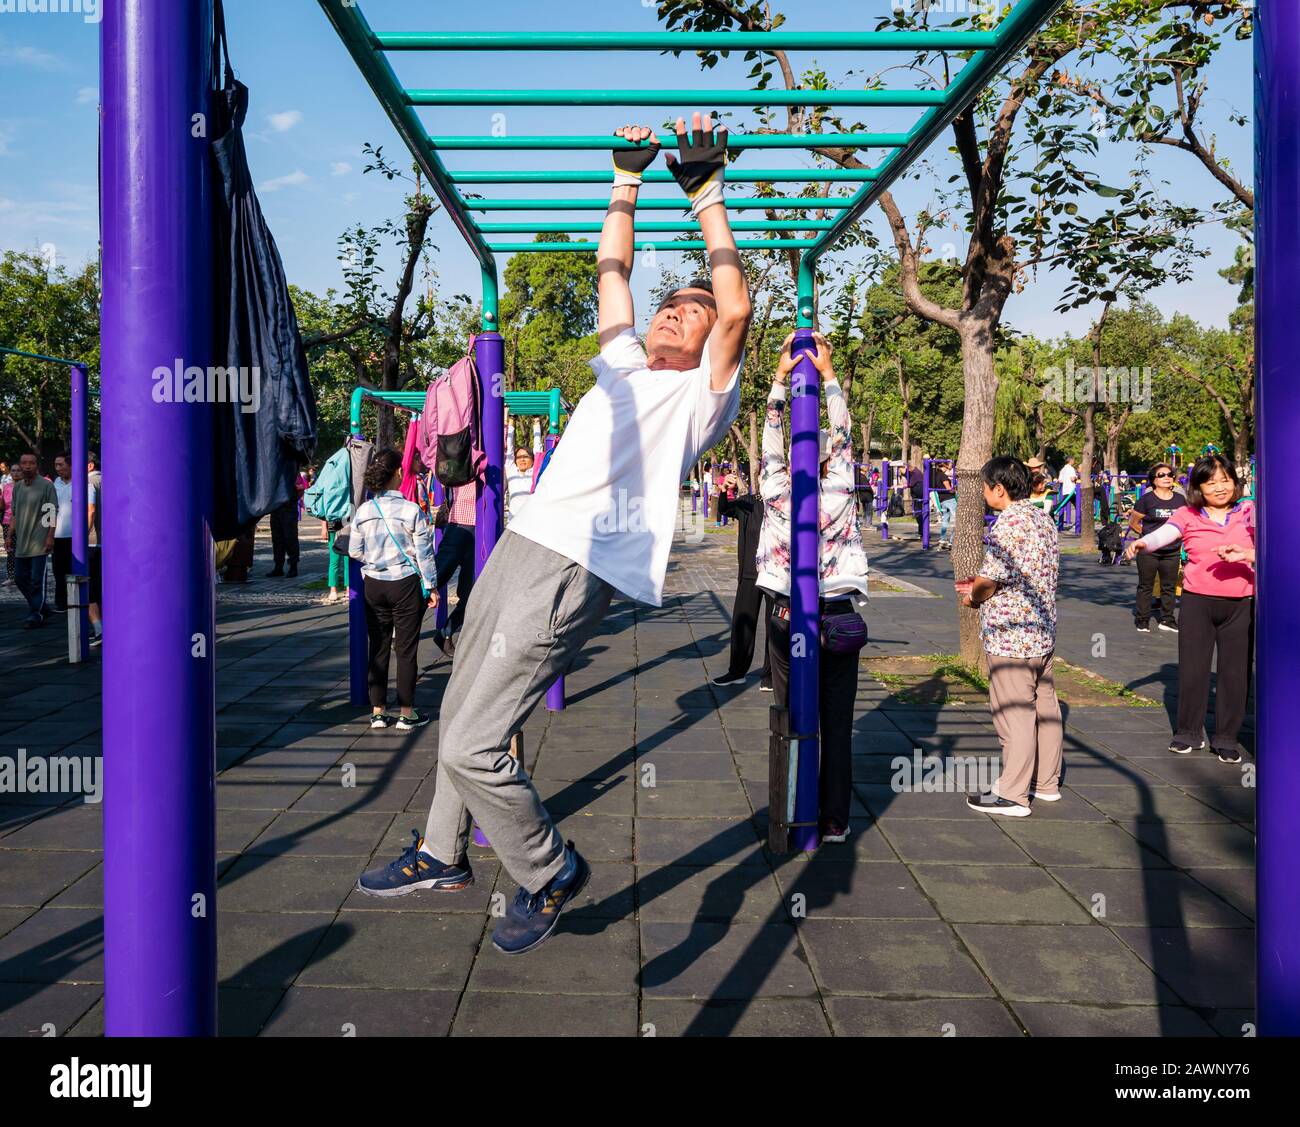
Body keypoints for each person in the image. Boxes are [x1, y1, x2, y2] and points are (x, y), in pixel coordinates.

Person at [356, 113, 750, 956]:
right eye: (673, 305)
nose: (676, 315)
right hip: (525, 546)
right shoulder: (624, 364)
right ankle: (439, 850)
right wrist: (625, 178)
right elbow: (612, 270)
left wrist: (708, 194)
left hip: (574, 567)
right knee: (458, 699)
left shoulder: (701, 401)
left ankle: (549, 868)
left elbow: (737, 304)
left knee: (471, 740)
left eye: (691, 313)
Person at [755, 332, 869, 842]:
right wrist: (829, 379)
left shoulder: (778, 489)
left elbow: (771, 446)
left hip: (785, 612)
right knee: (837, 725)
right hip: (838, 612)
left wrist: (780, 381)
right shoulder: (842, 488)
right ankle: (835, 819)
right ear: (828, 461)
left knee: (792, 711)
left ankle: (794, 810)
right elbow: (844, 438)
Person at [1125, 454, 1254, 763]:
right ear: (1198, 487)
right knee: (1193, 670)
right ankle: (1188, 733)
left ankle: (1226, 738)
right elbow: (1162, 535)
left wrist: (1248, 554)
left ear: (1235, 483)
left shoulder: (1250, 510)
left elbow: (1276, 544)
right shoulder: (1187, 514)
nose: (1220, 487)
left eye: (1225, 480)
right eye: (1211, 482)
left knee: (1234, 674)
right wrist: (1143, 544)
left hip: (1242, 603)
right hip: (1198, 602)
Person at [956, 456, 1062, 817]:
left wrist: (973, 595)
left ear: (998, 489)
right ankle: (1046, 783)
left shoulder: (1007, 525)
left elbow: (990, 580)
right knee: (1045, 708)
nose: (984, 494)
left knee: (1014, 713)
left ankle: (1014, 794)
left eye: (986, 487)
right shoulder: (1042, 518)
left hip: (1011, 636)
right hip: (1041, 632)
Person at [347, 447, 438, 731]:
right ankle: (406, 712)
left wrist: (375, 562)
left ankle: (377, 711)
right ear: (399, 472)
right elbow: (424, 553)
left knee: (379, 645)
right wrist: (431, 585)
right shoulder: (412, 511)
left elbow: (354, 550)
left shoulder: (363, 510)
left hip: (374, 583)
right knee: (406, 649)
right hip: (405, 583)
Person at [710, 468, 773, 691]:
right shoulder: (750, 503)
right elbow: (726, 509)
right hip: (750, 572)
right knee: (742, 622)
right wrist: (724, 489)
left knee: (776, 625)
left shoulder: (786, 504)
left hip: (777, 574)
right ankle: (736, 672)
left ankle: (771, 676)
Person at [1129, 462, 1186, 633]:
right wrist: (1147, 537)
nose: (1166, 478)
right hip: (1149, 552)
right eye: (1161, 475)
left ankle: (1167, 619)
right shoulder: (1146, 500)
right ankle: (1142, 620)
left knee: (1168, 587)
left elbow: (1185, 522)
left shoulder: (1180, 499)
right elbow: (1134, 523)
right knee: (1146, 586)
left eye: (1169, 475)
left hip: (1172, 551)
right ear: (1154, 480)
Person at [5, 453, 58, 628]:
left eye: (31, 463)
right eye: (24, 463)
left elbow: (51, 512)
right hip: (22, 542)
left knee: (36, 580)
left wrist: (50, 536)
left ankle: (35, 613)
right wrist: (9, 536)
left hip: (39, 541)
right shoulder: (18, 487)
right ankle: (42, 606)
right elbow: (14, 514)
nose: (27, 466)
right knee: (19, 578)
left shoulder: (46, 485)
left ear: (36, 465)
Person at [429, 478, 477, 657]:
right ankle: (401, 629)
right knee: (432, 582)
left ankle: (445, 632)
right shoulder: (463, 463)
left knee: (473, 595)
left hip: (479, 531)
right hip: (459, 526)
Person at [51, 452, 74, 613]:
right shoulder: (55, 483)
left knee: (74, 571)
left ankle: (76, 602)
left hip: (76, 536)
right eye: (56, 465)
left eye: (61, 465)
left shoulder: (81, 483)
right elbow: (50, 509)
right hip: (57, 535)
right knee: (58, 571)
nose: (58, 468)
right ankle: (61, 602)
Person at [266, 495, 300, 578]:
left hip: (289, 504)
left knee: (290, 538)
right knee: (277, 538)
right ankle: (278, 567)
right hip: (275, 506)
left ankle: (293, 566)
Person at [506, 446, 537, 523]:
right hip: (513, 522)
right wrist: (510, 433)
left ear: (533, 459)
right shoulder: (511, 472)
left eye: (526, 456)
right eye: (519, 457)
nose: (522, 459)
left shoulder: (535, 473)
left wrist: (537, 433)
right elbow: (509, 451)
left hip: (531, 521)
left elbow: (537, 451)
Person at [934, 463, 957, 550]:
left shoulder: (935, 476)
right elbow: (949, 489)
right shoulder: (943, 476)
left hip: (942, 500)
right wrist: (954, 489)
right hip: (950, 499)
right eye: (946, 467)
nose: (947, 469)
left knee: (945, 520)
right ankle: (951, 541)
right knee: (957, 520)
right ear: (942, 467)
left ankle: (942, 540)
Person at [1053, 455, 1079, 526]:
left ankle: (1081, 521)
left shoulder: (1063, 469)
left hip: (1065, 490)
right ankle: (1052, 510)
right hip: (1071, 490)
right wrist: (1077, 476)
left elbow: (1060, 480)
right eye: (1073, 460)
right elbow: (1072, 479)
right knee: (1063, 504)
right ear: (1070, 460)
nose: (1074, 461)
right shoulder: (1071, 469)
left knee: (1077, 504)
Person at [907, 460, 926, 539]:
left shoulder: (915, 473)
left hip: (918, 494)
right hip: (919, 493)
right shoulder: (916, 472)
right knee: (918, 512)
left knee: (918, 513)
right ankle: (921, 531)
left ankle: (922, 531)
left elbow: (910, 484)